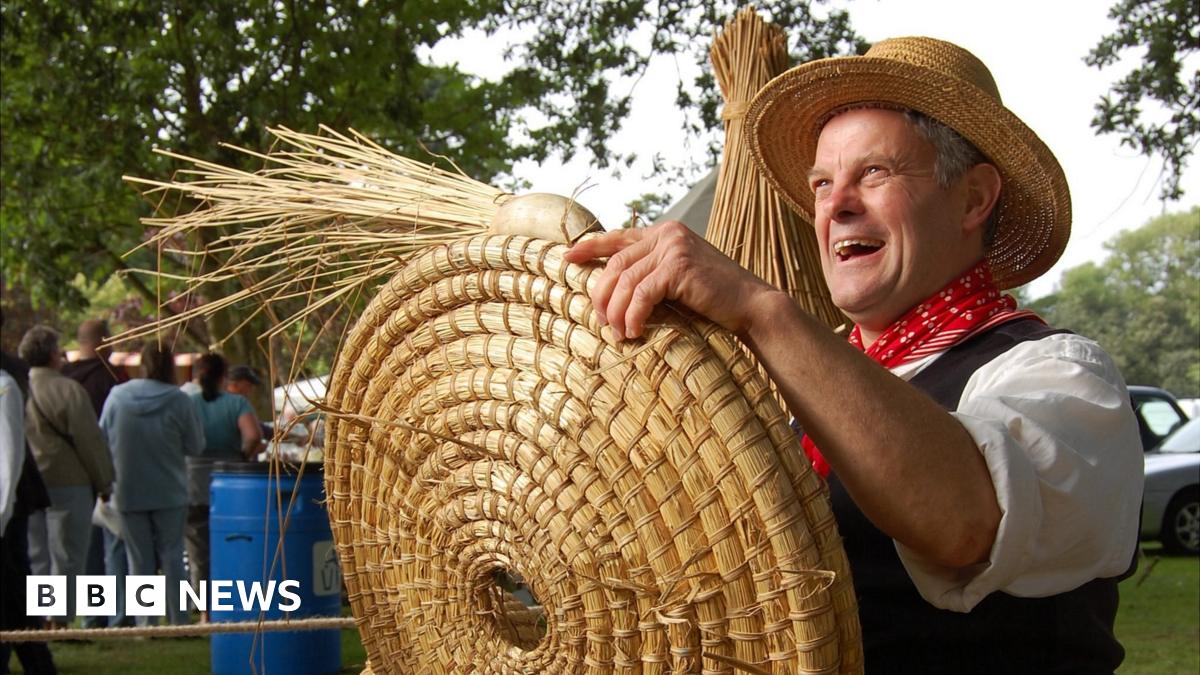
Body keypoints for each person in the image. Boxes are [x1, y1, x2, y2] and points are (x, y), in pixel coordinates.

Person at [563, 37, 1143, 673]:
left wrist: (764, 309)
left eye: (875, 173)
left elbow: (966, 523)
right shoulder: (790, 378)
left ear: (973, 199)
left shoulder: (1059, 374)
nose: (836, 206)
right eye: (821, 182)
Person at [100, 343, 204, 625]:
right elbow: (196, 445)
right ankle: (179, 619)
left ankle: (146, 621)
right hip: (169, 488)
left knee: (139, 560)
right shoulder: (179, 399)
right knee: (172, 555)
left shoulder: (117, 396)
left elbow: (102, 437)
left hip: (127, 489)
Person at [18, 325, 114, 628]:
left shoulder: (16, 388)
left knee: (38, 555)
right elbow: (89, 441)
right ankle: (58, 618)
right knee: (69, 554)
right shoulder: (69, 390)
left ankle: (40, 617)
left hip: (29, 482)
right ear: (52, 354)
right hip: (69, 481)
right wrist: (103, 481)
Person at [60, 318, 129, 628]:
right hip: (109, 471)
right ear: (105, 340)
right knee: (116, 544)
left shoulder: (64, 378)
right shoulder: (112, 378)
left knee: (83, 550)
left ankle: (90, 616)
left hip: (69, 475)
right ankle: (119, 614)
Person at [185, 353, 263, 594]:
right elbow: (253, 436)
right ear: (223, 377)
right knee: (233, 543)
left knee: (198, 550)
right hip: (230, 484)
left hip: (192, 484)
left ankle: (204, 609)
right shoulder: (237, 403)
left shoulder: (186, 403)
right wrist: (241, 458)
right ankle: (236, 598)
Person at [1, 365, 57, 674]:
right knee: (15, 599)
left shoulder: (3, 386)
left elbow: (8, 462)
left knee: (15, 598)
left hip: (7, 515)